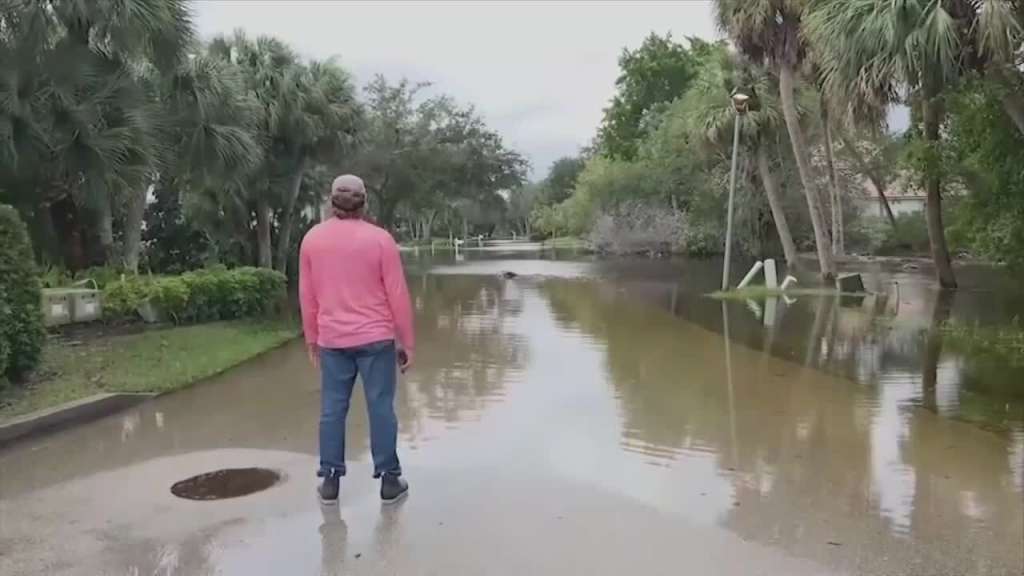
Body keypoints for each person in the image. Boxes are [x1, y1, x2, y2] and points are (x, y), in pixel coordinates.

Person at [299, 174, 414, 505]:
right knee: (381, 407)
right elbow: (397, 294)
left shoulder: (312, 240)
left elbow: (307, 296)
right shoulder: (380, 240)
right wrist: (407, 341)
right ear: (365, 202)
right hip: (377, 339)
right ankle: (390, 480)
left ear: (331, 202)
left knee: (332, 409)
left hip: (333, 341)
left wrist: (312, 339)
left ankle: (331, 482)